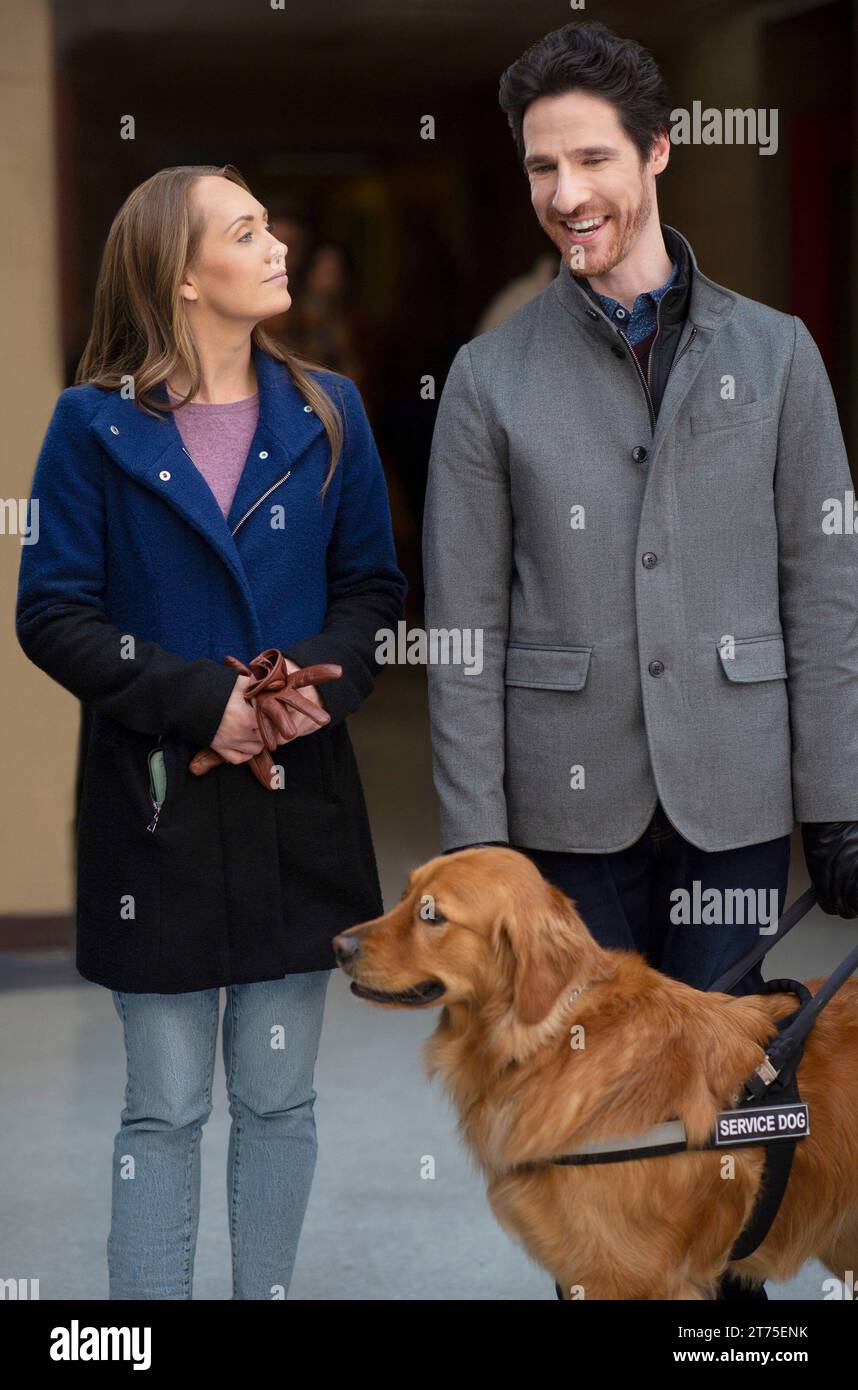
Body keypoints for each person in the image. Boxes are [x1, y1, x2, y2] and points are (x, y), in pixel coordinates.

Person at [422, 20, 858, 1302]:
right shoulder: (492, 381)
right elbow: (461, 638)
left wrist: (837, 797)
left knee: (727, 1128)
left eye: (593, 161)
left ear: (659, 154)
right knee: (586, 1133)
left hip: (734, 796)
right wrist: (477, 857)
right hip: (566, 819)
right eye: (542, 168)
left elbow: (825, 589)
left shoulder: (778, 356)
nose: (568, 195)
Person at [16, 163, 407, 1299]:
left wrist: (301, 693)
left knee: (281, 1096)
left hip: (301, 809)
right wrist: (204, 702)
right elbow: (52, 611)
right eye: (247, 231)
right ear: (184, 277)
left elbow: (373, 592)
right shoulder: (90, 426)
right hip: (158, 816)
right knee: (165, 1103)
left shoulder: (330, 410)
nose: (278, 243)